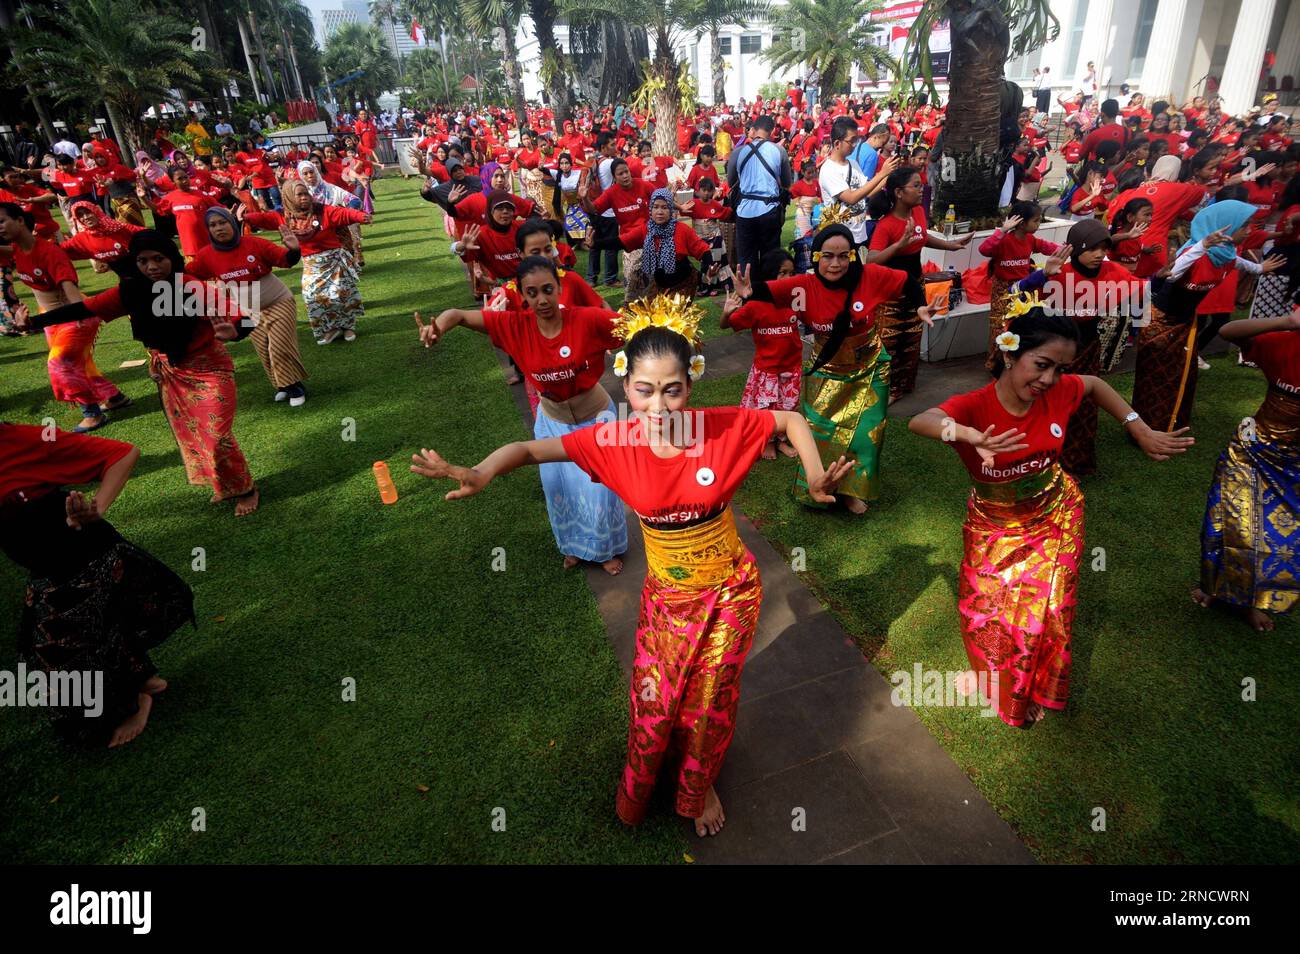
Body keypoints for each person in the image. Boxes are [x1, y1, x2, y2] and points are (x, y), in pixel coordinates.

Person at [410, 306, 853, 836]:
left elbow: (789, 419)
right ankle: (652, 777)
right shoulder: (612, 443)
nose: (659, 405)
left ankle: (699, 781)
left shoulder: (719, 427)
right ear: (623, 381)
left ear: (692, 384)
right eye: (644, 390)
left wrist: (813, 476)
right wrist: (480, 470)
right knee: (657, 699)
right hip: (667, 598)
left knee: (709, 699)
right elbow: (530, 448)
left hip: (731, 591)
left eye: (673, 389)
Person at [908, 307, 1192, 727]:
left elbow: (1094, 385)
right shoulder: (974, 406)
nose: (1048, 380)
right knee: (986, 609)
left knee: (1049, 608)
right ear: (1010, 355)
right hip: (994, 523)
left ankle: (1037, 683)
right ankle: (986, 672)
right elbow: (921, 420)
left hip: (1056, 514)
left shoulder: (1062, 391)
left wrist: (1137, 426)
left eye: (1059, 370)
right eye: (1040, 365)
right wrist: (966, 433)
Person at [14, 230, 261, 517]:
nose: (152, 267)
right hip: (171, 371)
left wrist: (236, 331)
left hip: (209, 367)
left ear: (173, 258)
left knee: (217, 435)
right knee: (194, 435)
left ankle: (246, 489)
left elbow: (246, 316)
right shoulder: (130, 291)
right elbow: (83, 308)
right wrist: (34, 322)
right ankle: (225, 485)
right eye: (143, 261)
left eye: (159, 259)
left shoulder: (190, 286)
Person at [414, 256, 631, 575]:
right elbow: (458, 315)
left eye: (547, 290)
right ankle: (573, 546)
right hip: (552, 422)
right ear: (523, 295)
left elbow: (636, 332)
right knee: (560, 491)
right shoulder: (514, 325)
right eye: (532, 293)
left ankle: (604, 550)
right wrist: (439, 328)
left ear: (559, 288)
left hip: (595, 418)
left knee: (598, 491)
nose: (541, 299)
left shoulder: (588, 320)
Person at [0, 425, 194, 747]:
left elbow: (123, 453)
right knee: (37, 649)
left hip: (89, 559)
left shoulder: (26, 440)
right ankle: (141, 679)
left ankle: (132, 703)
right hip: (48, 570)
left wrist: (96, 508)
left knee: (58, 666)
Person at [733, 223, 933, 514]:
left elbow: (908, 283)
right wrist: (749, 292)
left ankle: (852, 491)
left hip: (870, 369)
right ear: (816, 257)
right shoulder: (803, 286)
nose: (836, 263)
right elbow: (764, 291)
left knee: (867, 435)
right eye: (827, 256)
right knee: (822, 435)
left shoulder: (870, 276)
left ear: (852, 255)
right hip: (827, 371)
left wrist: (920, 307)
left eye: (843, 256)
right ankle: (822, 487)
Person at [1132, 201, 1286, 432]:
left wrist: (1259, 269)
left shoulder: (1224, 253)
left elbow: (1238, 263)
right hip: (1160, 320)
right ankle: (1150, 429)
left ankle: (1173, 425)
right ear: (1225, 226)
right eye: (1244, 225)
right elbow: (1172, 275)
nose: (1249, 230)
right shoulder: (1194, 251)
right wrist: (1201, 245)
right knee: (1158, 376)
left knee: (1183, 374)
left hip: (1185, 322)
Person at [1195, 311, 1300, 632]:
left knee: (1283, 537)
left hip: (1295, 465)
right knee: (1227, 526)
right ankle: (1217, 590)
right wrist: (1287, 323)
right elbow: (1230, 330)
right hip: (1250, 451)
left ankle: (1253, 601)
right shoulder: (1287, 342)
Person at [0, 203, 130, 432]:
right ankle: (114, 397)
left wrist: (79, 318)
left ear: (20, 220)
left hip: (75, 316)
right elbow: (13, 253)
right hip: (49, 319)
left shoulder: (50, 252)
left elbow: (70, 289)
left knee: (60, 364)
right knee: (82, 363)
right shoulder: (18, 249)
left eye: (1, 221)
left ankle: (92, 414)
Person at [866, 167, 973, 400]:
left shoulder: (919, 212)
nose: (920, 189)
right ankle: (887, 390)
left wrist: (951, 245)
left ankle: (905, 385)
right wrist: (897, 246)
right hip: (891, 292)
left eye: (920, 184)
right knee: (890, 339)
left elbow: (922, 237)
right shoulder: (886, 225)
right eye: (915, 185)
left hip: (916, 284)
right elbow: (871, 260)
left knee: (912, 336)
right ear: (898, 192)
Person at [188, 207, 309, 406]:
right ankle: (283, 386)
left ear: (232, 223)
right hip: (247, 311)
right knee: (263, 349)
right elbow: (188, 276)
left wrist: (294, 249)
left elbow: (285, 261)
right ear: (208, 230)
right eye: (213, 225)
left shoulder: (255, 243)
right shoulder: (206, 256)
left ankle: (295, 387)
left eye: (223, 222)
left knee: (279, 346)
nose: (219, 228)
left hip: (278, 301)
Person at [241, 179, 370, 345]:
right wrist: (244, 217)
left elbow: (343, 214)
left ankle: (348, 326)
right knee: (312, 296)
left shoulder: (322, 211)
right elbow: (263, 219)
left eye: (305, 193)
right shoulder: (283, 217)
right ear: (289, 197)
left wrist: (361, 216)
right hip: (311, 265)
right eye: (299, 195)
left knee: (339, 293)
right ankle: (330, 329)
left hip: (334, 261)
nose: (304, 197)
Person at [720, 248, 802, 459]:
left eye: (791, 273)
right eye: (782, 272)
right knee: (765, 409)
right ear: (768, 273)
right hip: (767, 370)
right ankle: (766, 441)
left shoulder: (796, 300)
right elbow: (726, 325)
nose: (787, 278)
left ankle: (781, 440)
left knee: (787, 407)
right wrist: (727, 312)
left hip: (791, 368)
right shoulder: (755, 306)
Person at [725, 115, 791, 270]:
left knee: (746, 261)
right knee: (772, 260)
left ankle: (749, 293)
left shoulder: (738, 152)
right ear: (773, 131)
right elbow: (787, 183)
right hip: (769, 210)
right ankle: (769, 292)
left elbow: (731, 182)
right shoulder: (779, 151)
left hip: (744, 212)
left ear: (753, 130)